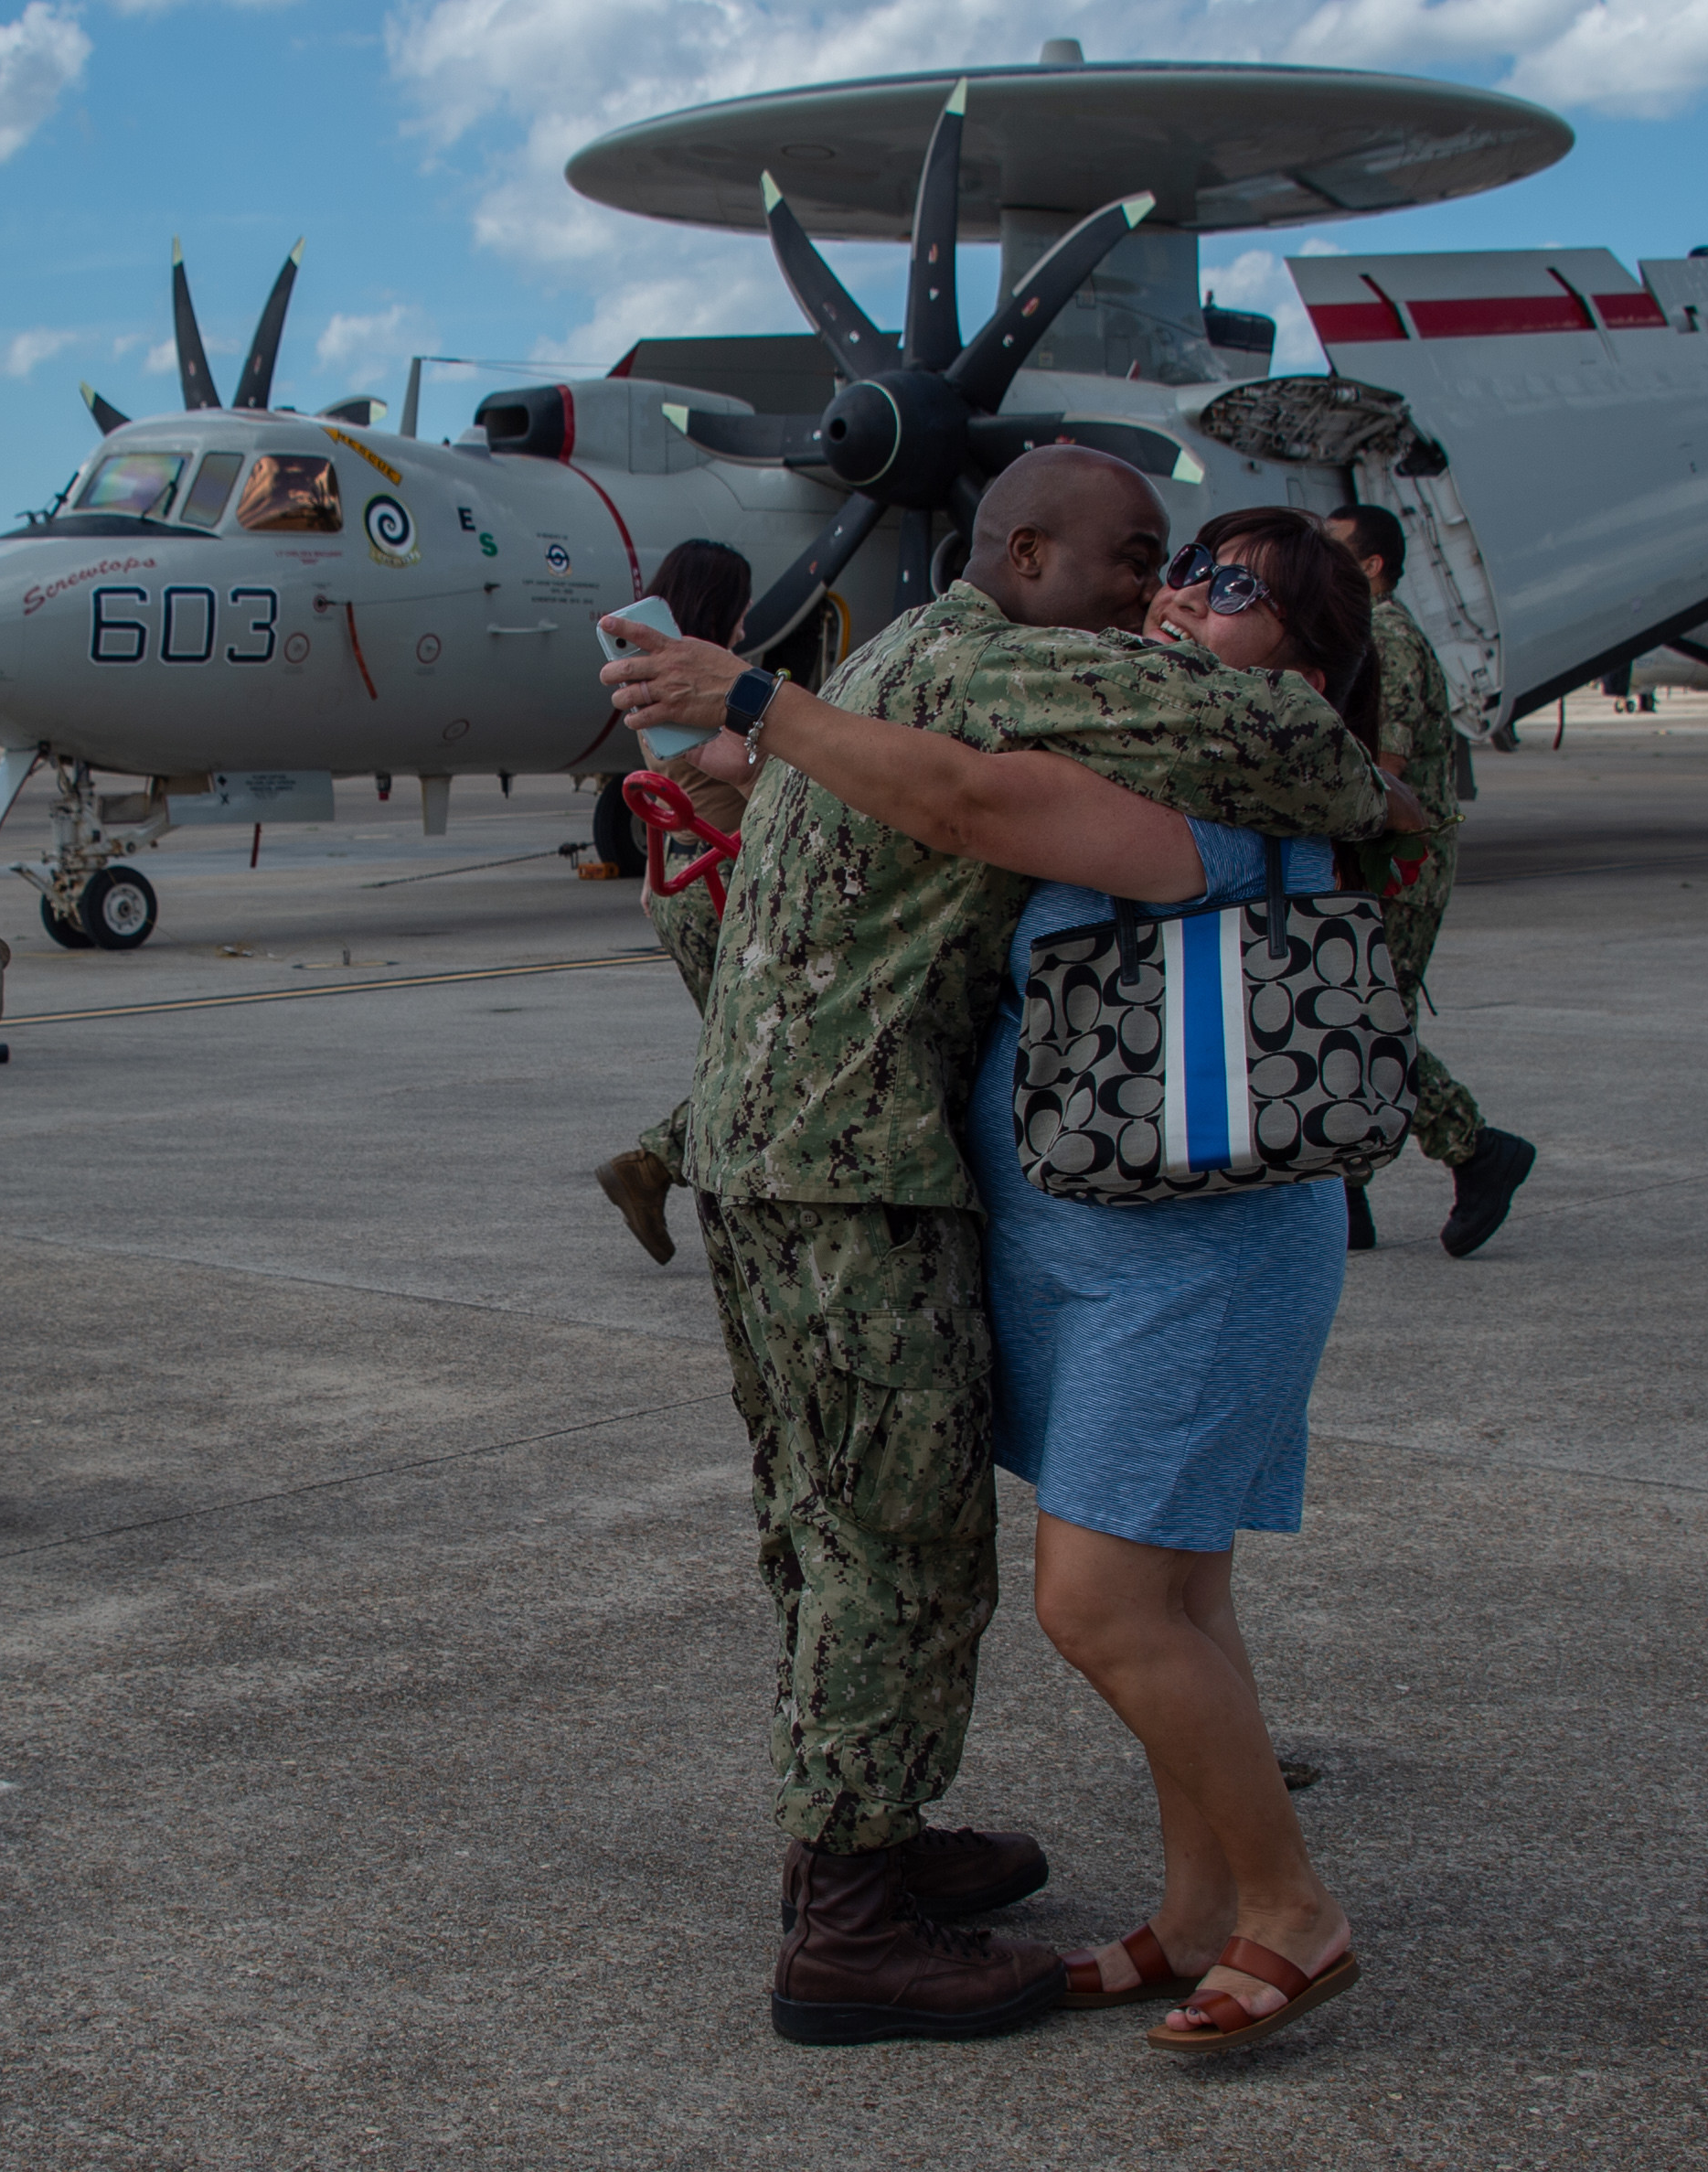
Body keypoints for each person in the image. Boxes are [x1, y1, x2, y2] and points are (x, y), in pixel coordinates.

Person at [601, 446, 1414, 2049]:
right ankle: (1179, 1911)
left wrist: (756, 706)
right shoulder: (1080, 722)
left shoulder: (1223, 787)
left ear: (1308, 664)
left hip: (1183, 1256)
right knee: (1140, 1589)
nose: (1168, 594)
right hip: (1081, 1248)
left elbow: (967, 799)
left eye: (1220, 582)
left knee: (1092, 1599)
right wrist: (756, 787)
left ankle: (1284, 1913)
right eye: (1169, 568)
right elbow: (917, 825)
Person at [1326, 504, 1536, 1255]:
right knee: (1356, 1019)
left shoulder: (1389, 636)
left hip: (1399, 863)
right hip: (1382, 857)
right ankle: (1344, 1192)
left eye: (1335, 547)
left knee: (1370, 1021)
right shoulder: (1363, 631)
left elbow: (1389, 771)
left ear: (1373, 565)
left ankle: (1478, 1149)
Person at [592, 538, 753, 1265]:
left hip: (677, 883)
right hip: (720, 881)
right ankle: (655, 1166)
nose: (746, 628)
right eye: (740, 611)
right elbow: (766, 782)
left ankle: (657, 1170)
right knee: (760, 1054)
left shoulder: (649, 686)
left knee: (744, 1051)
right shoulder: (701, 695)